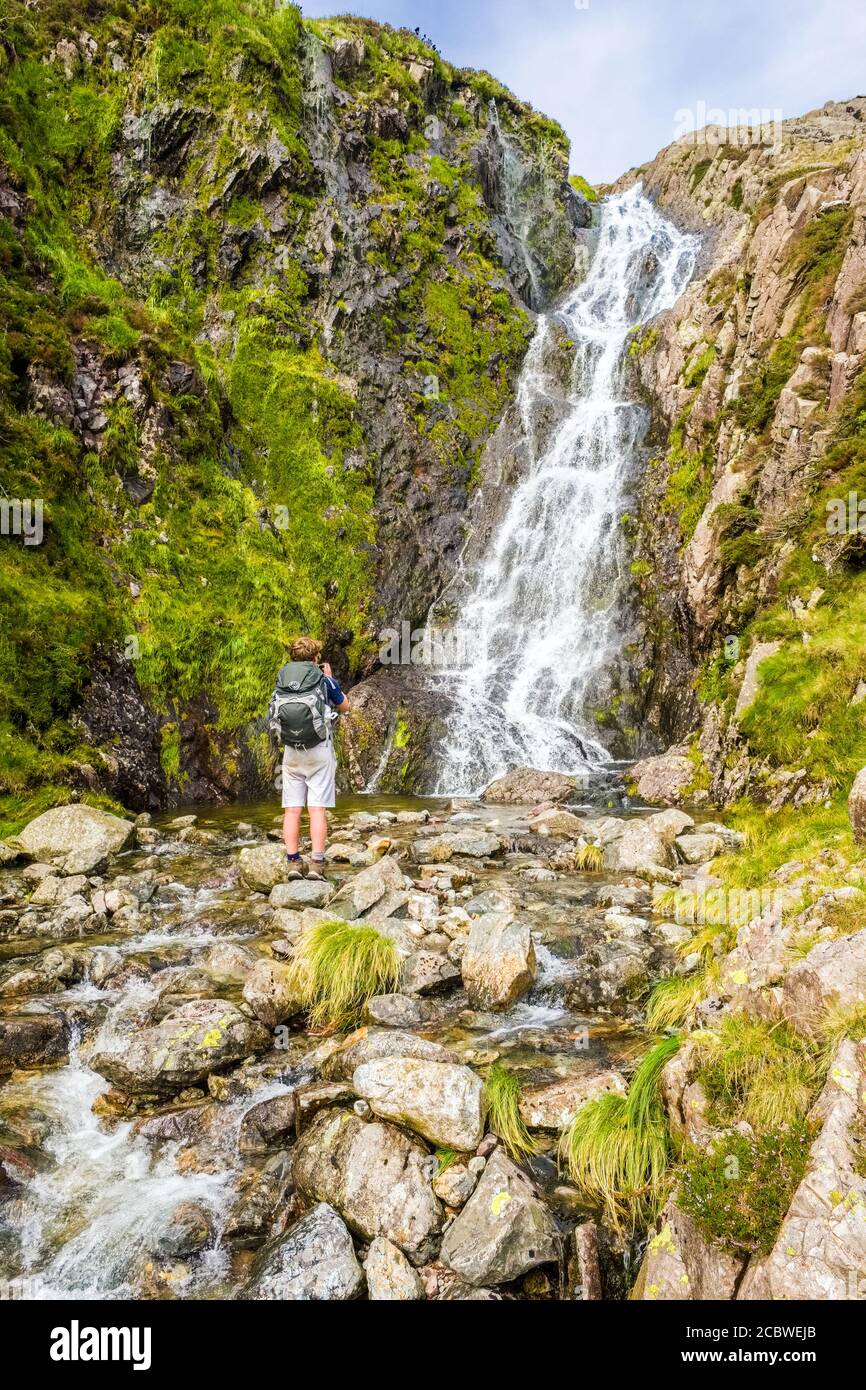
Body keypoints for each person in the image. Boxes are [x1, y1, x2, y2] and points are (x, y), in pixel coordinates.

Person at [268, 637, 350, 880]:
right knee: (317, 810)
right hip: (319, 750)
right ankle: (316, 863)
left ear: (293, 657)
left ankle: (293, 862)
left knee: (291, 811)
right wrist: (331, 678)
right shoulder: (323, 679)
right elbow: (345, 706)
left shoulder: (283, 679)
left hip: (292, 750)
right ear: (315, 658)